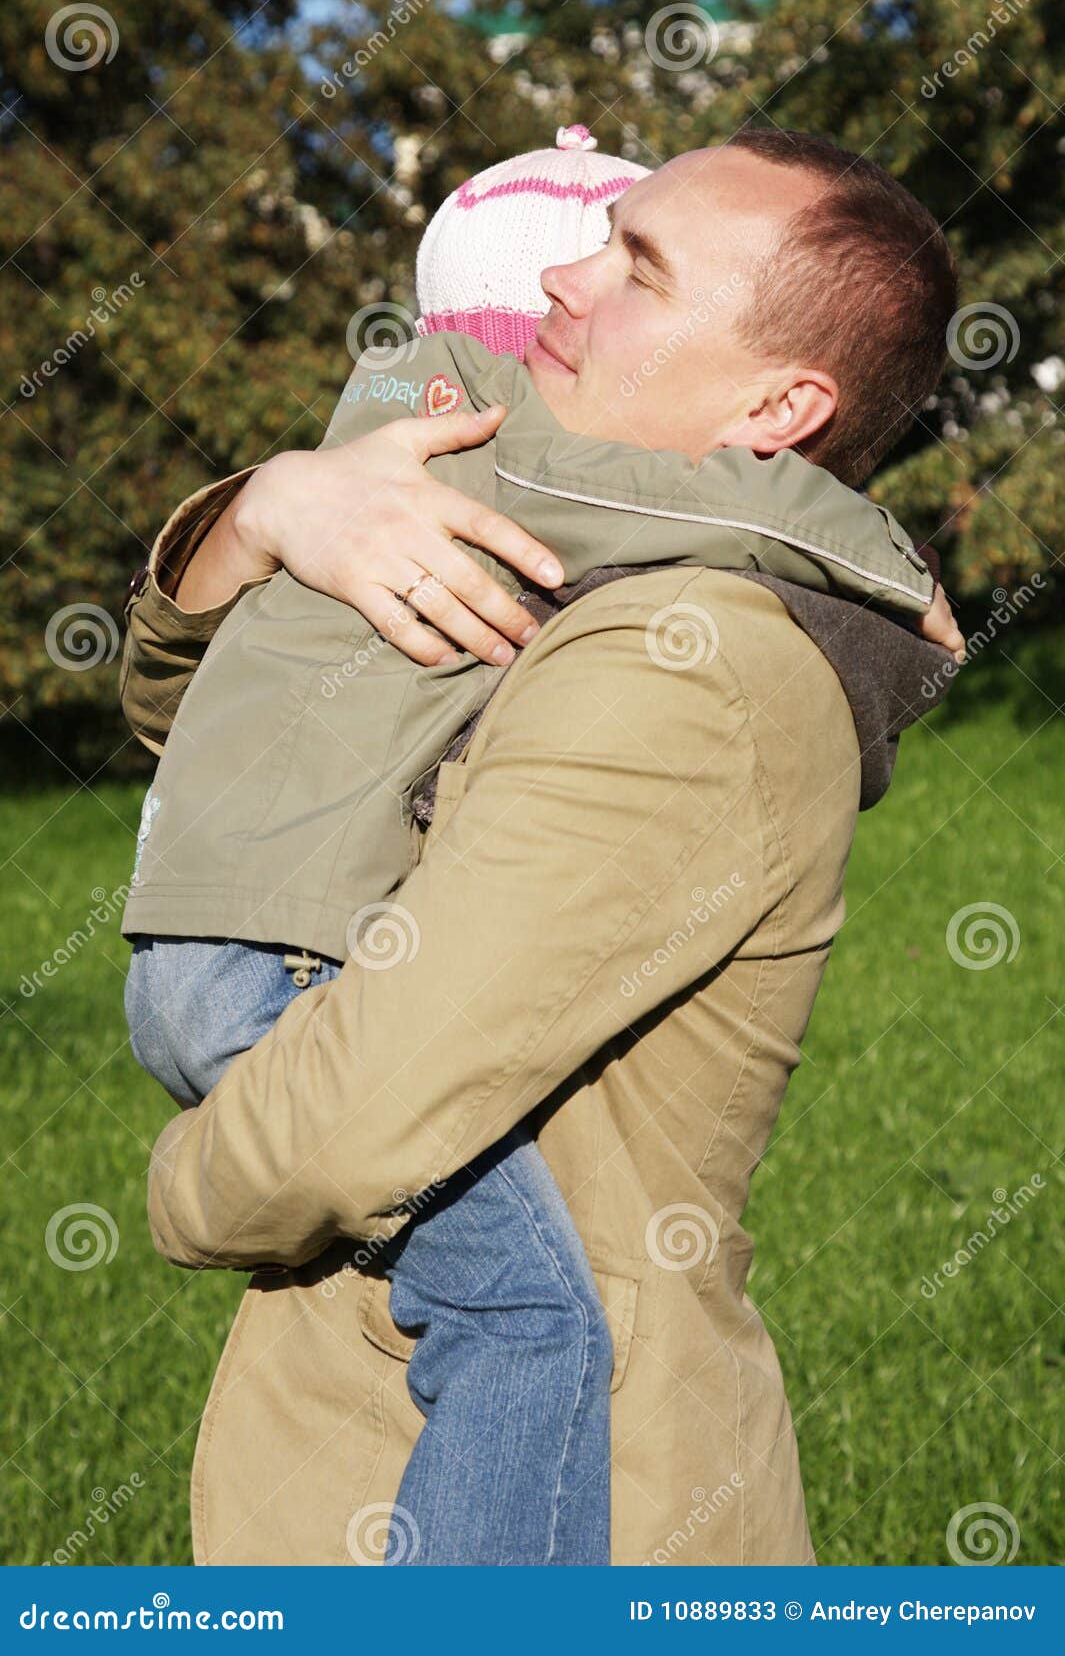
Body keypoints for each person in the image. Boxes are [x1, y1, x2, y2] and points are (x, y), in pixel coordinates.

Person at [128, 130, 963, 1566]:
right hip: (371, 1448)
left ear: (781, 403)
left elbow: (348, 1119)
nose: (561, 279)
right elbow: (199, 726)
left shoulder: (685, 657)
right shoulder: (530, 524)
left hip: (578, 1513)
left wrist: (182, 1186)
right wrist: (277, 510)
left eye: (634, 265)